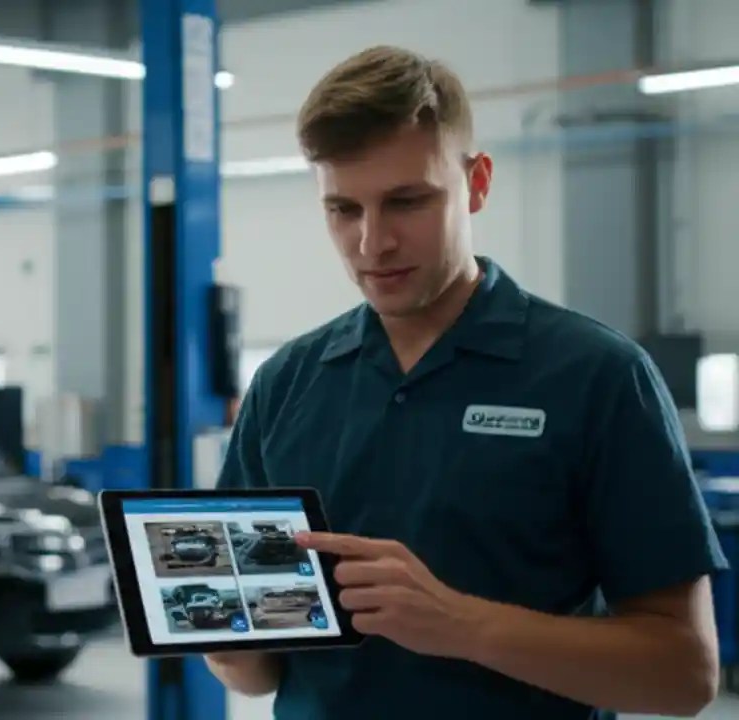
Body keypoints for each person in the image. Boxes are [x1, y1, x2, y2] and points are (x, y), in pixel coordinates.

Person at [206, 45, 728, 719]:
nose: (372, 244)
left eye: (406, 201)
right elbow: (253, 676)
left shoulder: (597, 376)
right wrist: (217, 631)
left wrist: (457, 624)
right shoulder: (287, 383)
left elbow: (684, 676)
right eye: (343, 210)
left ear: (477, 182)